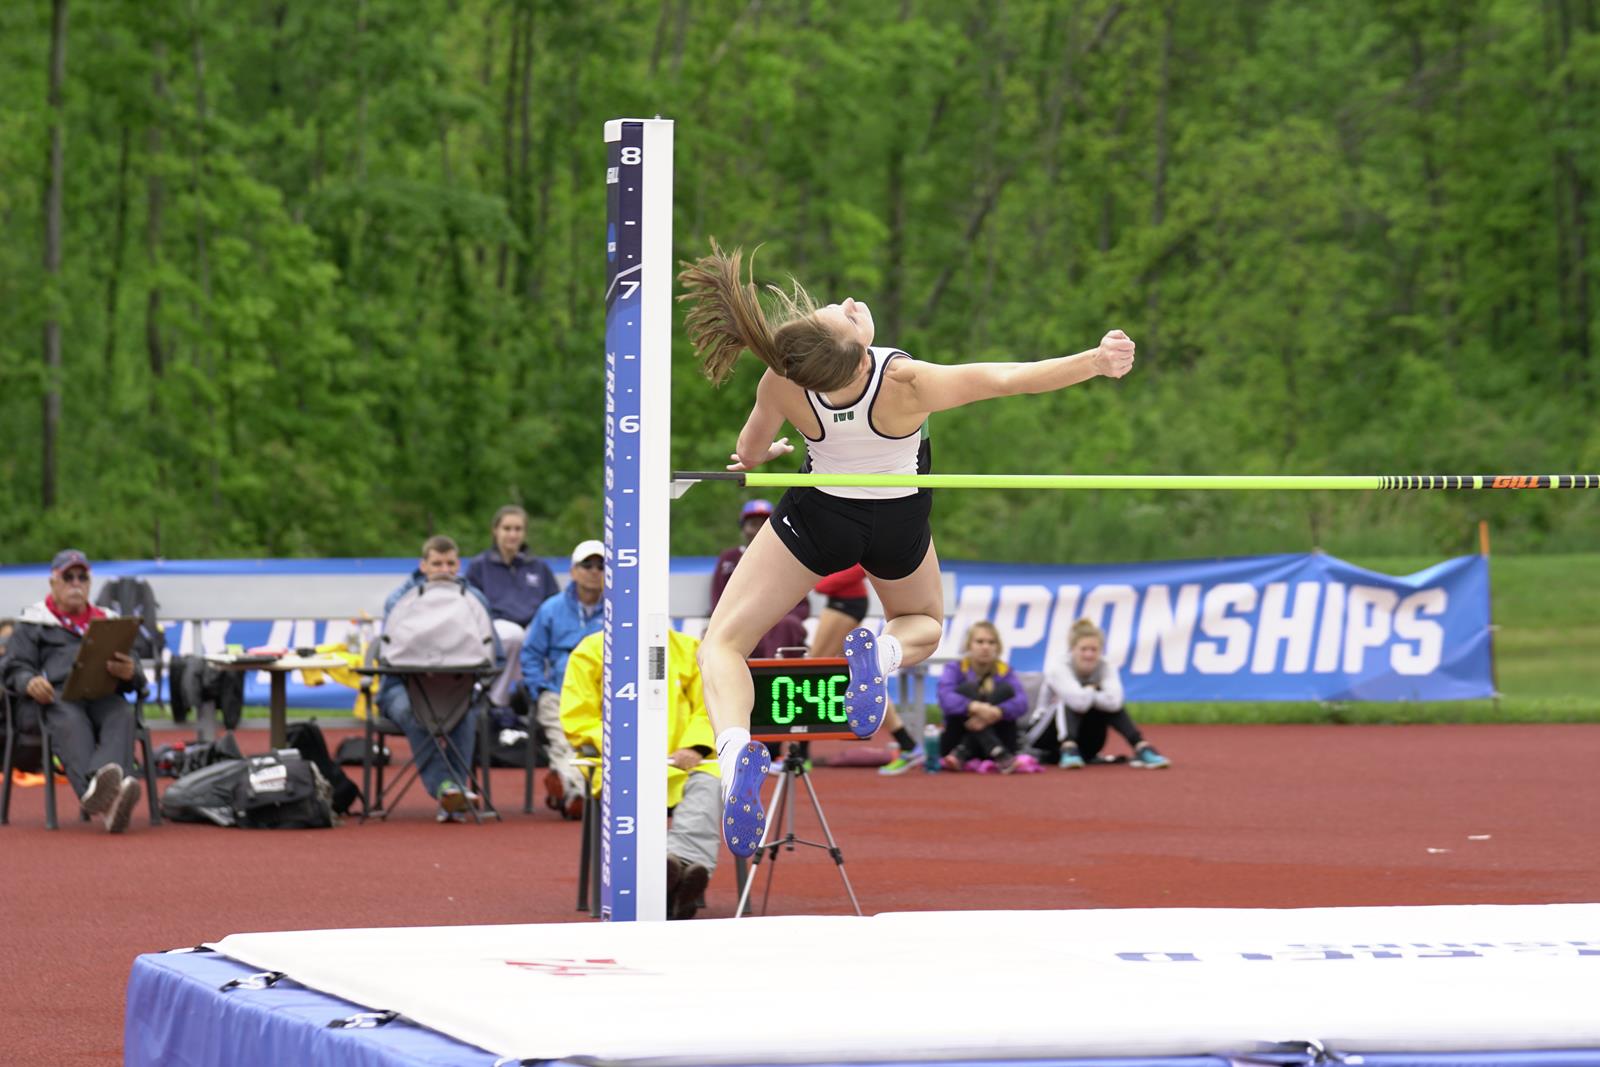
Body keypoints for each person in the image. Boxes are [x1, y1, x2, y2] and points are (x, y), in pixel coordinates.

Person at [678, 241, 1135, 854]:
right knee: (922, 622)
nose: (850, 302)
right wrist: (1096, 362)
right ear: (860, 351)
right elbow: (1006, 380)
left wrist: (774, 455)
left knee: (722, 645)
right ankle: (885, 655)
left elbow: (751, 453)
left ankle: (735, 755)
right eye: (846, 314)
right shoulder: (903, 381)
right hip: (896, 521)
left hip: (819, 518)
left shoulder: (781, 382)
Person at [560, 629, 722, 919]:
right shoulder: (590, 650)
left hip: (683, 761)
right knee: (629, 784)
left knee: (711, 779)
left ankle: (676, 868)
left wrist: (695, 747)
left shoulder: (688, 648)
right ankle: (677, 886)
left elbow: (709, 705)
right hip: (619, 759)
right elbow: (577, 717)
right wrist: (624, 743)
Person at [1, 550, 145, 832]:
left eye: (82, 577)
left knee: (123, 713)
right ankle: (106, 794)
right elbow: (13, 666)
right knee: (69, 718)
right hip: (55, 697)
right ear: (53, 582)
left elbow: (136, 670)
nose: (76, 583)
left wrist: (131, 672)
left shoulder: (109, 620)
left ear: (90, 583)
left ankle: (103, 795)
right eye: (68, 577)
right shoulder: (34, 622)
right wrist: (29, 681)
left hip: (102, 694)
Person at [377, 535, 501, 822]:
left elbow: (495, 653)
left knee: (466, 711)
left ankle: (452, 796)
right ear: (423, 565)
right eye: (436, 563)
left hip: (457, 687)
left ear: (458, 565)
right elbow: (388, 654)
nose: (443, 569)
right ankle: (448, 788)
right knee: (414, 711)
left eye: (449, 563)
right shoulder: (399, 600)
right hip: (403, 687)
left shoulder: (475, 600)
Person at [521, 539, 606, 819]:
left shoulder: (623, 611)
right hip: (558, 690)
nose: (594, 571)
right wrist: (539, 690)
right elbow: (531, 654)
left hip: (606, 695)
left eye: (601, 565)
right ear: (573, 571)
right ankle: (577, 792)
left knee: (597, 742)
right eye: (587, 565)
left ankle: (569, 786)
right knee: (562, 739)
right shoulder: (551, 608)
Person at [804, 565, 918, 775]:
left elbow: (861, 564)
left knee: (814, 671)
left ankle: (801, 755)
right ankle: (907, 743)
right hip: (842, 602)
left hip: (844, 604)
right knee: (859, 675)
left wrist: (823, 582)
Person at [1029, 618, 1170, 769]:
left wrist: (1090, 694)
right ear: (1072, 649)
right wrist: (1092, 688)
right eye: (1083, 649)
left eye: (1094, 650)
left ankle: (1141, 746)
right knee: (1069, 700)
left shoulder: (1106, 666)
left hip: (1087, 743)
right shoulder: (1058, 667)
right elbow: (1078, 704)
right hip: (1043, 740)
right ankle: (1068, 747)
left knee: (1110, 706)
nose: (1089, 655)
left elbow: (1115, 702)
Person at [464, 505, 559, 721]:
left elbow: (553, 606)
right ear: (495, 531)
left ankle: (535, 703)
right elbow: (471, 607)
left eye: (518, 529)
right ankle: (497, 704)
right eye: (507, 528)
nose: (512, 534)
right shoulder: (480, 567)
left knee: (540, 640)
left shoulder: (539, 568)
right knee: (514, 635)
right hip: (495, 631)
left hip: (534, 630)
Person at [709, 498, 808, 659]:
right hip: (739, 618)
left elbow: (801, 606)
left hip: (777, 621)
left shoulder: (787, 556)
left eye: (764, 524)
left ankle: (772, 676)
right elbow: (717, 597)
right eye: (753, 524)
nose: (758, 529)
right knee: (729, 632)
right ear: (743, 528)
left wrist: (773, 618)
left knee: (788, 625)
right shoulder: (729, 558)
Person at [935, 621, 1036, 773]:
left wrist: (998, 712)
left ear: (998, 647)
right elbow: (945, 697)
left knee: (1005, 690)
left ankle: (962, 752)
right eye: (980, 642)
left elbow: (1022, 703)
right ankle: (998, 753)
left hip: (999, 738)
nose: (985, 647)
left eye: (991, 642)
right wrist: (973, 707)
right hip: (957, 739)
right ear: (969, 645)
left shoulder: (1005, 671)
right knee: (968, 689)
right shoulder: (955, 668)